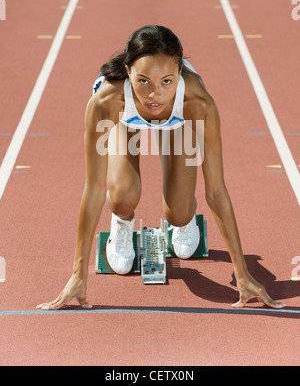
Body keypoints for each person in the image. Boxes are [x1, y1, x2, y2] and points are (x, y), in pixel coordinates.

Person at [37, 25, 285, 310]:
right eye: (144, 81)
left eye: (166, 81)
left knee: (177, 215)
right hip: (124, 118)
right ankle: (121, 223)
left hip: (177, 120)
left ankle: (185, 218)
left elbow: (216, 190)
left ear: (179, 73)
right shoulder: (106, 101)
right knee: (121, 197)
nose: (155, 94)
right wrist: (77, 275)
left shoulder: (198, 102)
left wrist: (242, 273)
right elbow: (93, 189)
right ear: (128, 71)